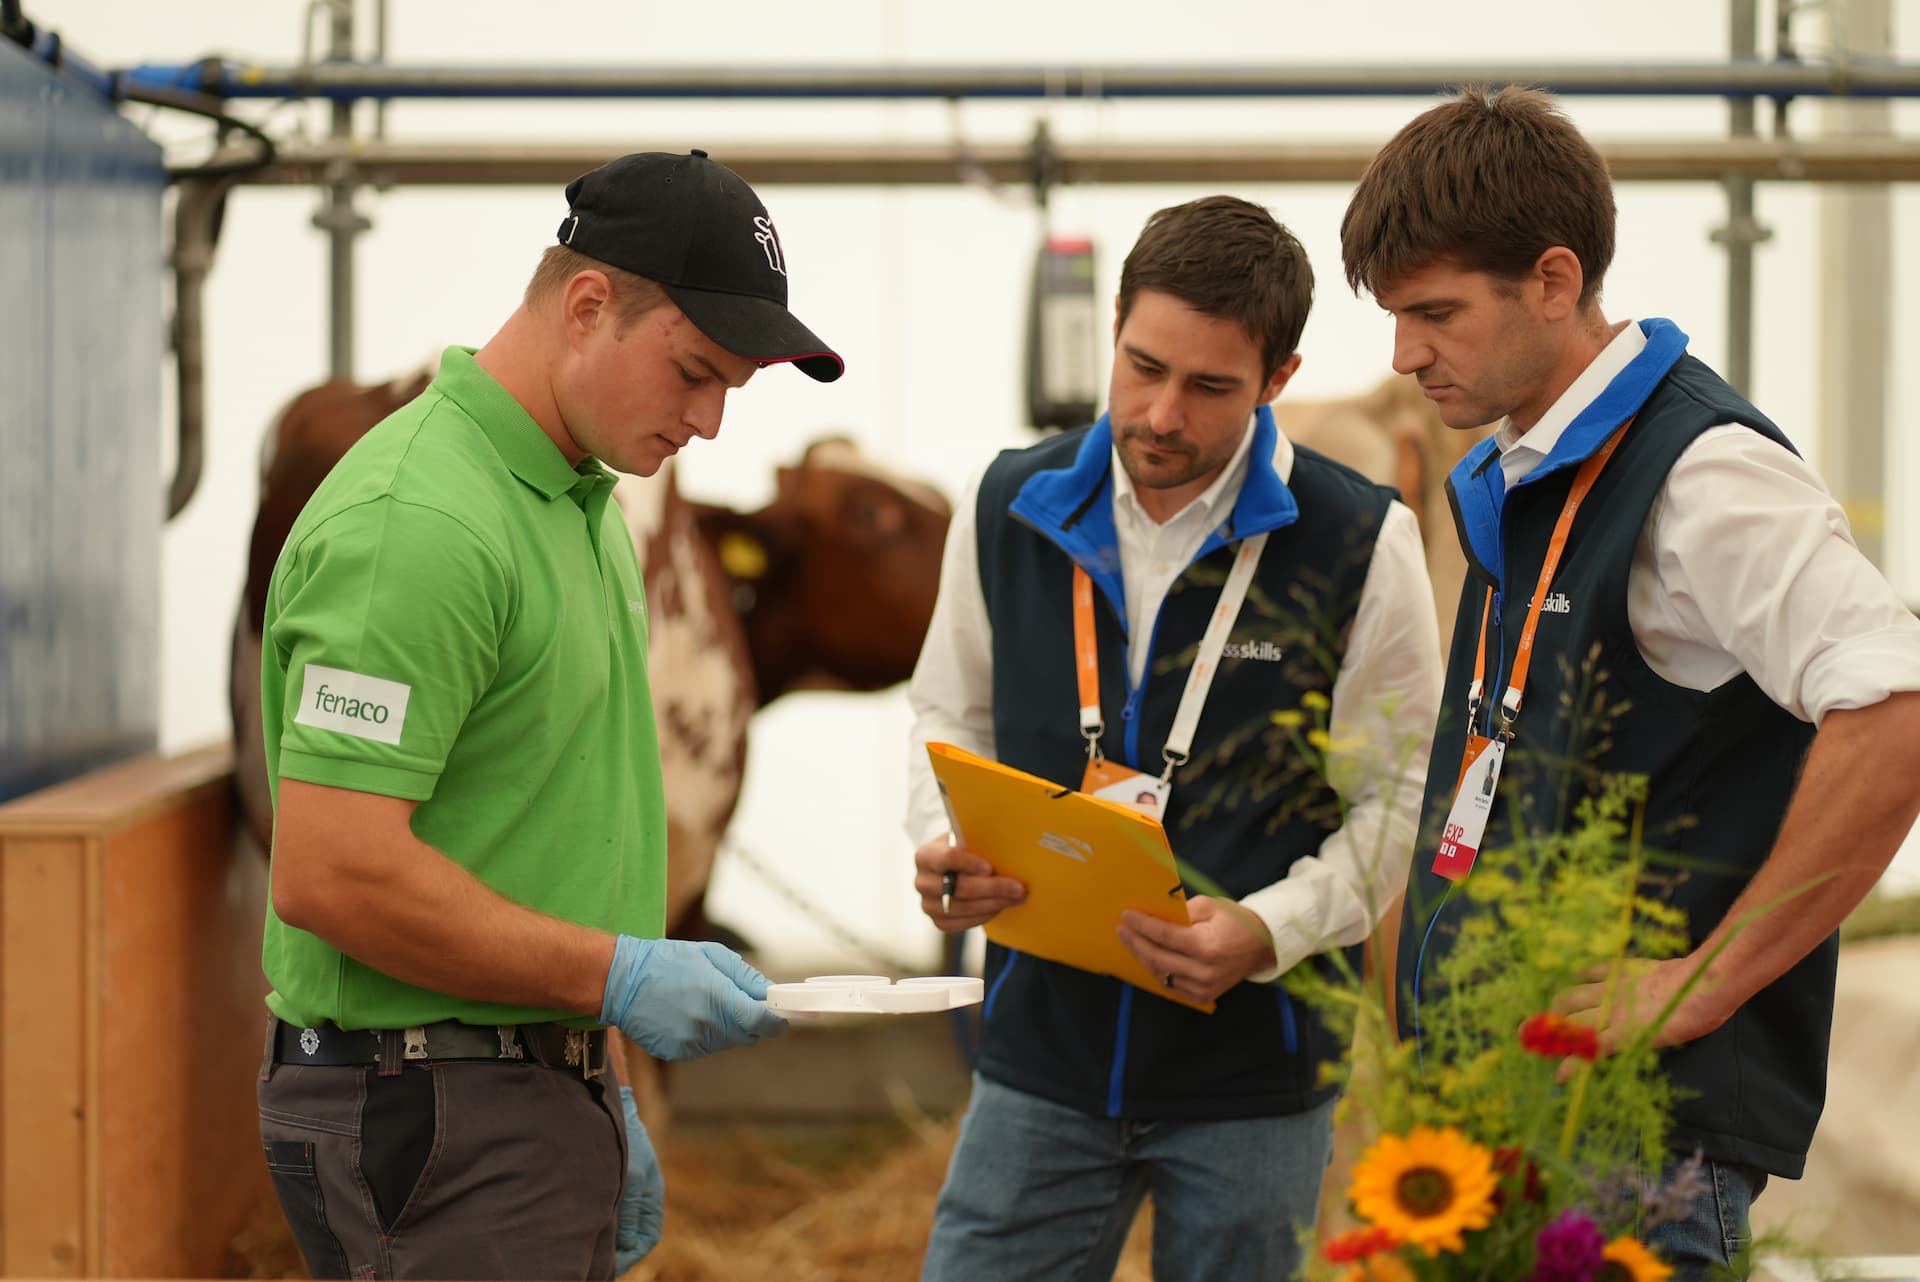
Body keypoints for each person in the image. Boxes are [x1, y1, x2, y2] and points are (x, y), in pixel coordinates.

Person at [1339, 86, 1920, 1277]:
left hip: (1636, 1154)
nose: (1404, 356)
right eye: (1396, 316)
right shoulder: (1528, 469)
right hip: (1507, 1120)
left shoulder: (1706, 474)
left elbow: (1899, 705)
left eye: (1436, 313)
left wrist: (1701, 983)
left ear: (1555, 281)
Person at [254, 150, 839, 1280]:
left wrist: (601, 1074)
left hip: (513, 1079)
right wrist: (617, 978)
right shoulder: (418, 526)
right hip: (425, 1102)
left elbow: (550, 835)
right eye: (692, 372)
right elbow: (330, 871)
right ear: (586, 307)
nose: (710, 422)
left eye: (733, 388)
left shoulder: (577, 503)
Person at [907, 195, 1443, 1282]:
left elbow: (1401, 796)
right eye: (1142, 364)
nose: (1159, 412)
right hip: (1038, 1059)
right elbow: (948, 715)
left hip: (1254, 1074)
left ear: (1279, 378)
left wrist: (1267, 927)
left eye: (1209, 387)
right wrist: (940, 844)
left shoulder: (1357, 539)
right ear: (1112, 326)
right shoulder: (1011, 503)